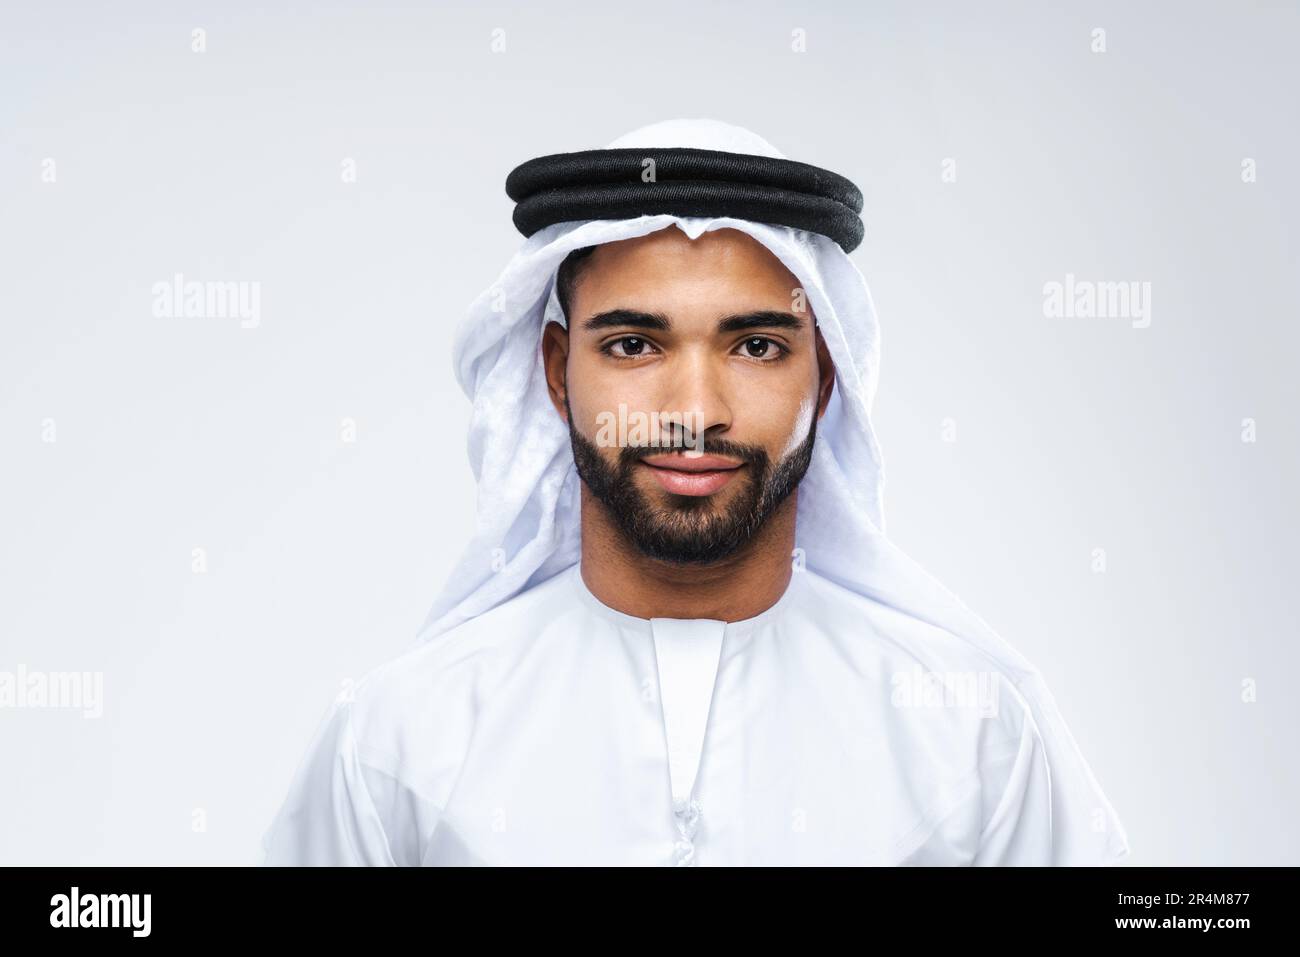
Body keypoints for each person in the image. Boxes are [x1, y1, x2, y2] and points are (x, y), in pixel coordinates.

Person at [261, 118, 1130, 866]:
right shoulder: (400, 739)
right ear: (559, 376)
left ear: (824, 380)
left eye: (754, 346)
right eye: (635, 345)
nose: (693, 413)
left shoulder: (972, 737)